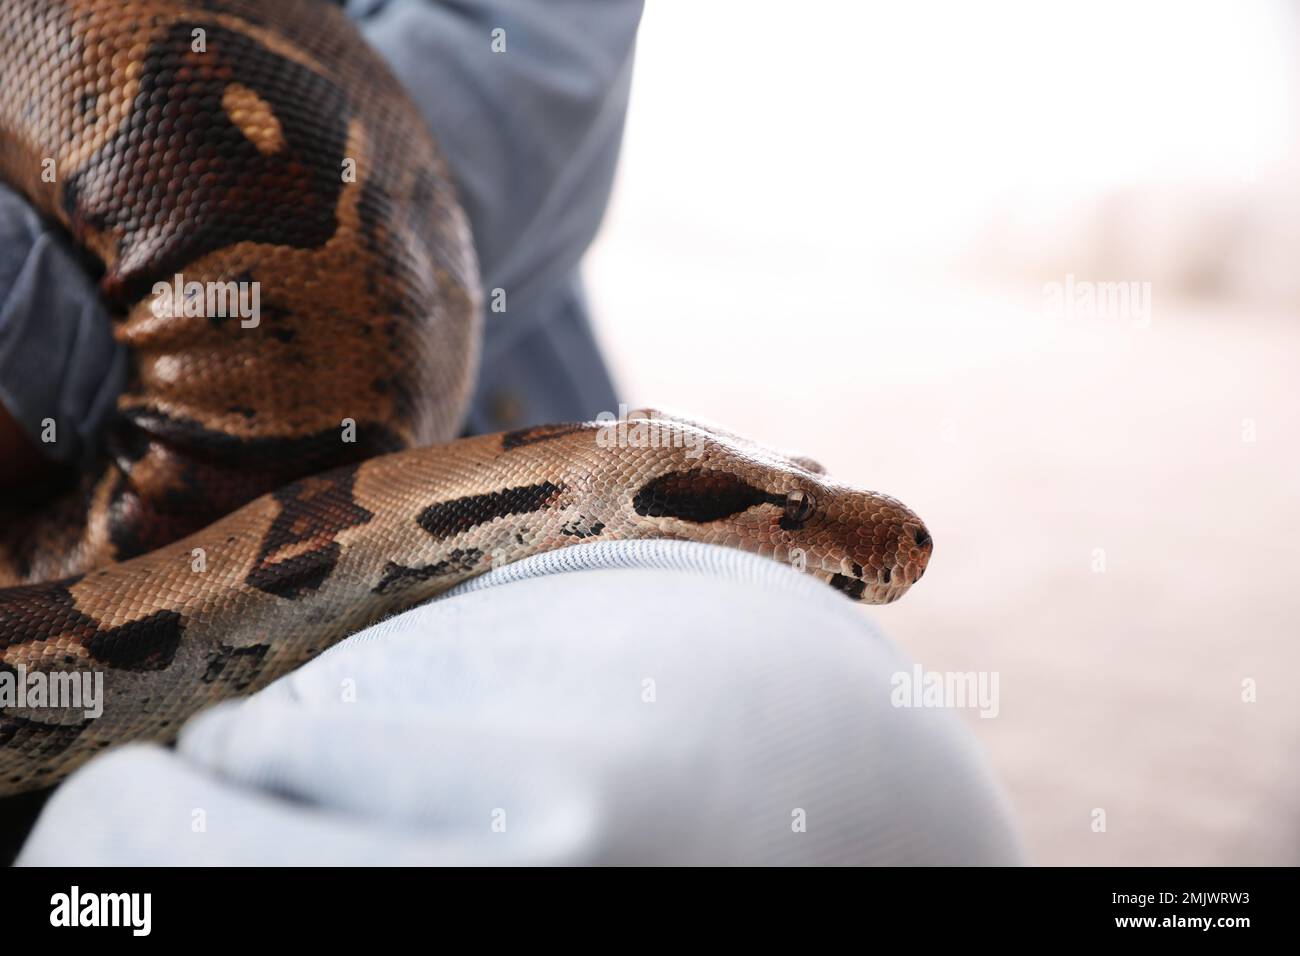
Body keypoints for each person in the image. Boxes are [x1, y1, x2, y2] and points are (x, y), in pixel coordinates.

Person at [3, 0, 1022, 864]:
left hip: (404, 521)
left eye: (793, 499)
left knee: (829, 769)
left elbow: (524, 63)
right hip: (233, 582)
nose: (831, 523)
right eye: (786, 510)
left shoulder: (578, 488)